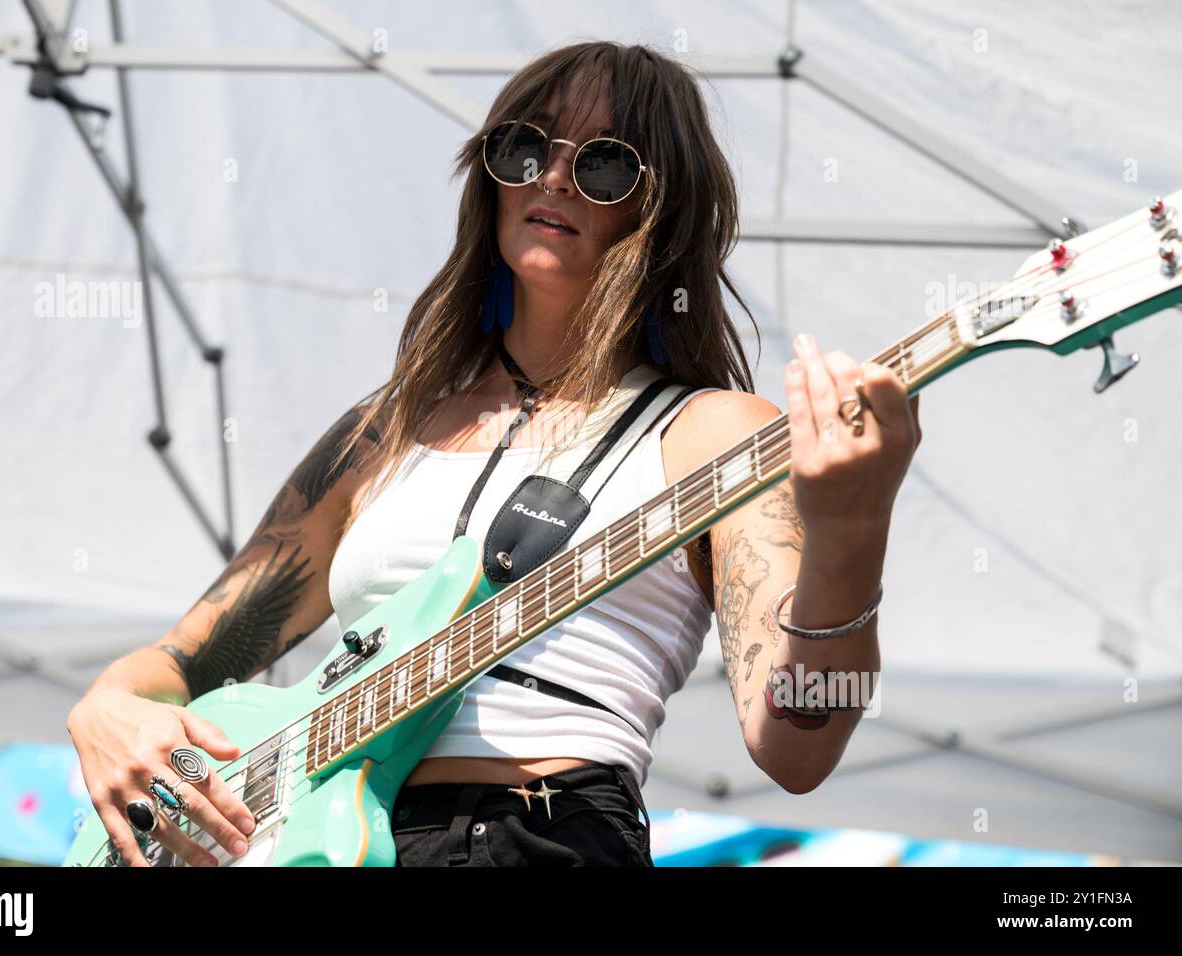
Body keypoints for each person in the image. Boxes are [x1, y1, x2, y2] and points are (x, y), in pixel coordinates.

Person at [66, 40, 921, 867]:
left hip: (535, 831)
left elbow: (798, 746)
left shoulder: (715, 431)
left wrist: (853, 530)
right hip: (319, 835)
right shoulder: (384, 429)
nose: (552, 177)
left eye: (605, 162)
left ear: (662, 208)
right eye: (525, 147)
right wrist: (110, 705)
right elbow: (184, 660)